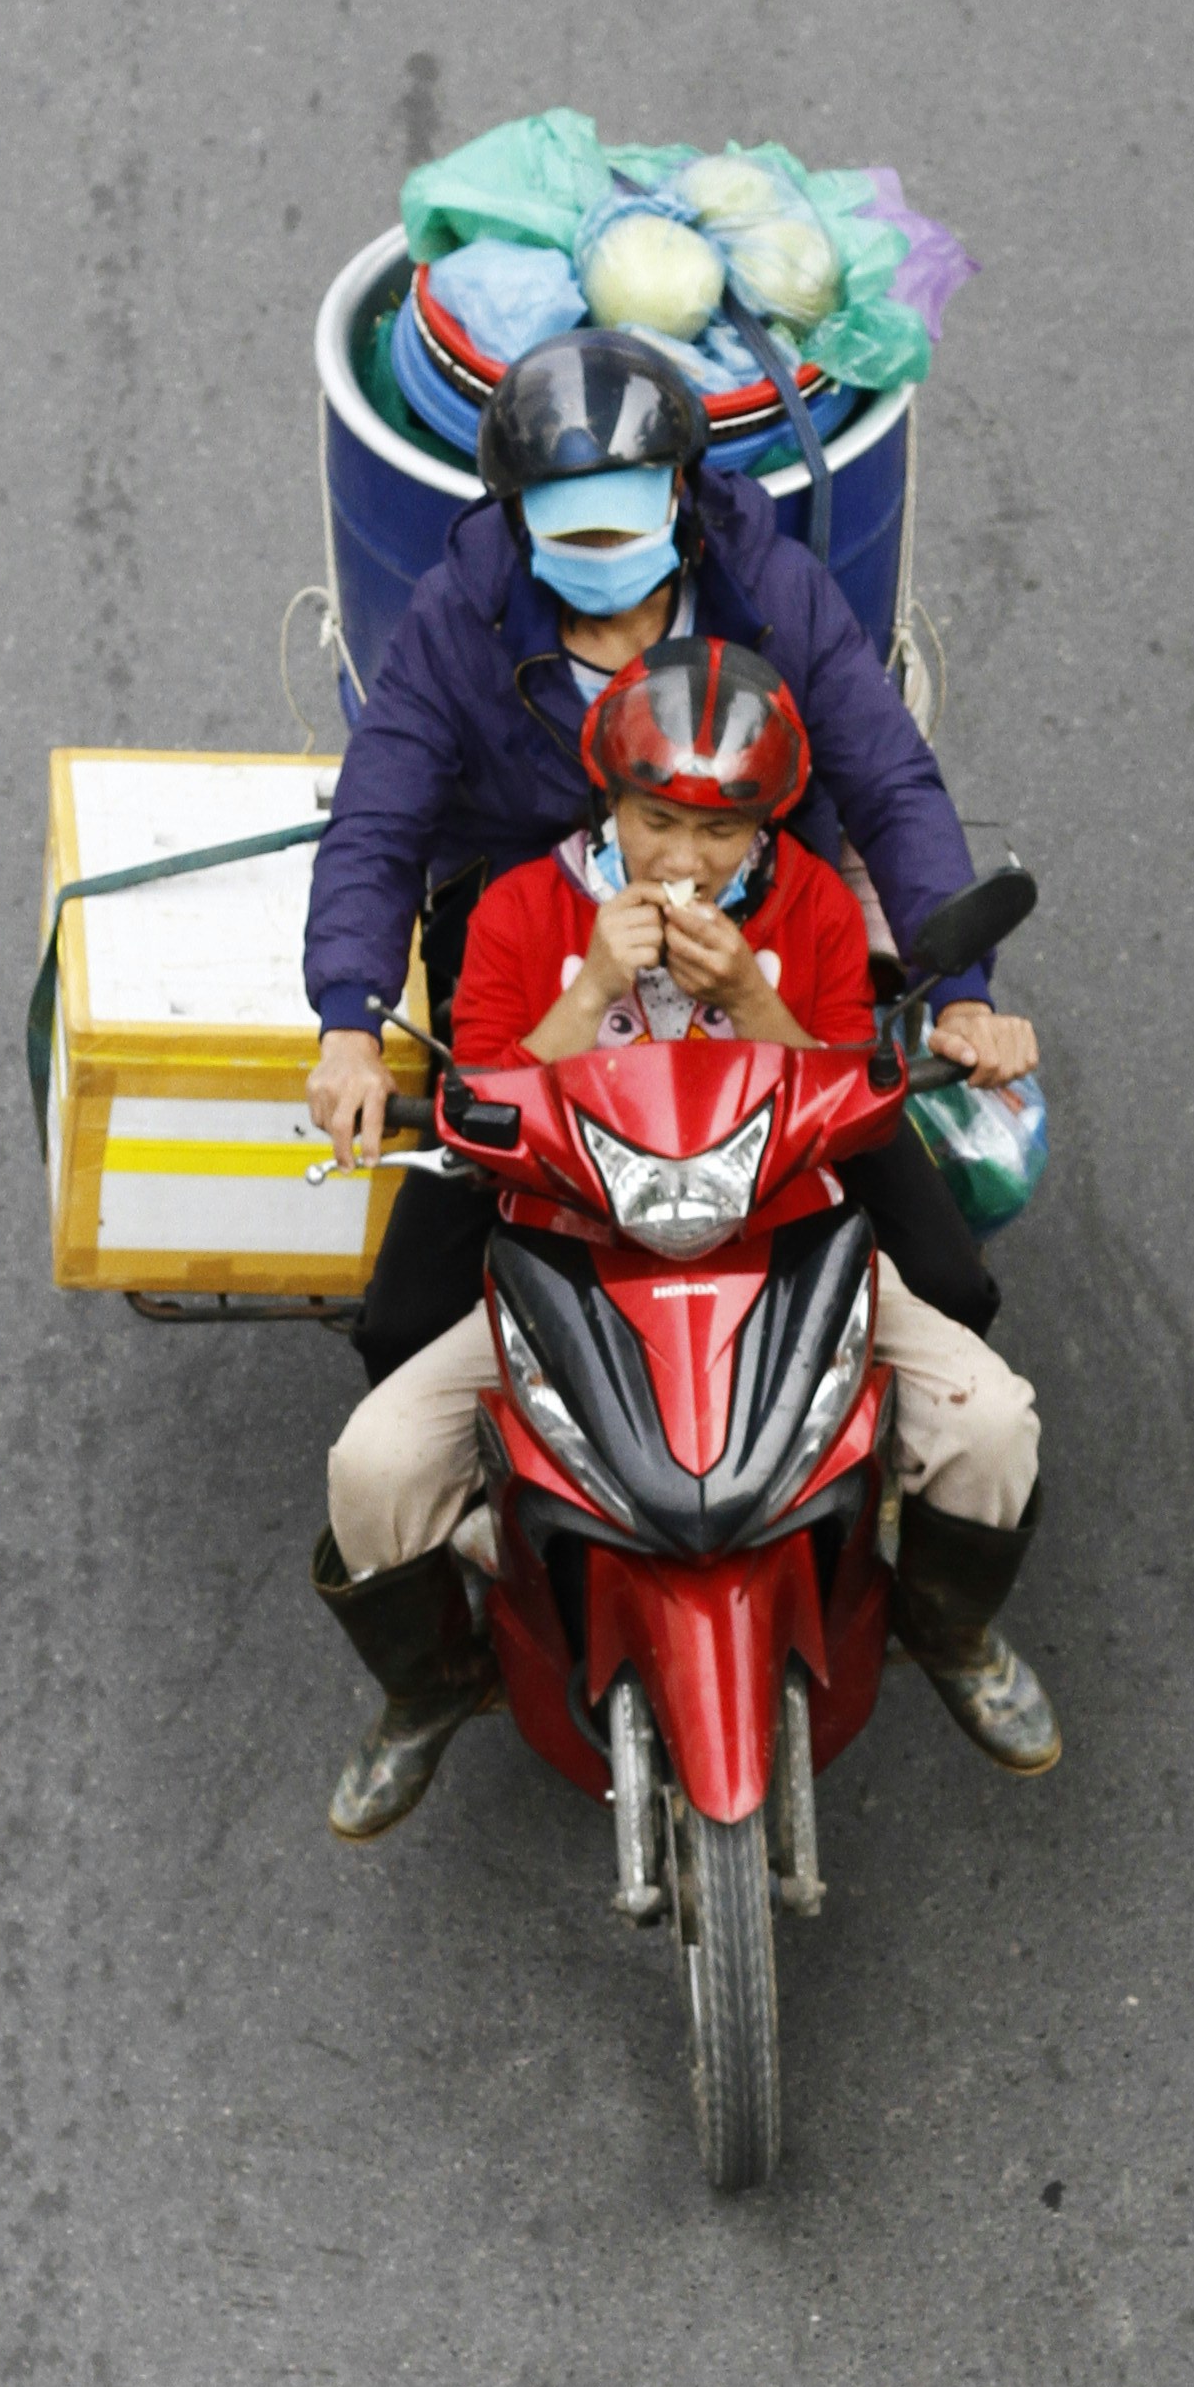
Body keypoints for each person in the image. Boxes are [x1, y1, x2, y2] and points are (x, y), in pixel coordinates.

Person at [310, 637, 1057, 1843]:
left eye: (724, 830)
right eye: (658, 821)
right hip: (566, 1261)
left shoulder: (813, 903)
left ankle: (948, 1631)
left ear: (767, 825)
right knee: (374, 1469)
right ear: (608, 801)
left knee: (993, 1425)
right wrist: (593, 987)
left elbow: (854, 1090)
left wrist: (753, 998)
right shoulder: (520, 909)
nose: (688, 859)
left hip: (792, 1248)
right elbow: (483, 1091)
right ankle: (430, 1686)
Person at [303, 330, 1037, 1388]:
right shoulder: (459, 613)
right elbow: (377, 820)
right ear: (518, 519)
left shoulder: (776, 588)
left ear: (682, 495)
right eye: (574, 529)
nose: (602, 550)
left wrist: (959, 991)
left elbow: (889, 780)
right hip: (530, 916)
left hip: (760, 910)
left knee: (951, 1288)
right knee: (404, 1325)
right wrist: (349, 1026)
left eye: (624, 521)